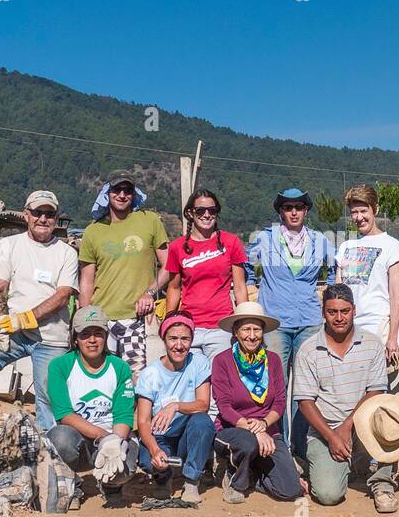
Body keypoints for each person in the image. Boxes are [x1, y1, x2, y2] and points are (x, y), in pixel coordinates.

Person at [0, 189, 79, 431]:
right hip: (13, 332)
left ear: (57, 217)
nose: (43, 218)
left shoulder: (67, 253)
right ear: (26, 215)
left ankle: (50, 450)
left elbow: (62, 296)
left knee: (49, 398)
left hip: (51, 337)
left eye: (49, 214)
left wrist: (27, 318)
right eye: (37, 212)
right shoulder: (9, 245)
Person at [294, 285, 399, 513]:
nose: (339, 318)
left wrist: (347, 427)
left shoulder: (372, 344)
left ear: (354, 310)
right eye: (332, 312)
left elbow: (376, 391)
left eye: (345, 311)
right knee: (328, 495)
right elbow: (305, 402)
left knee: (391, 421)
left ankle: (382, 483)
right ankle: (335, 467)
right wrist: (332, 435)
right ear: (323, 312)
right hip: (325, 431)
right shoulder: (308, 349)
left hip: (366, 425)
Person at [246, 188, 337, 450]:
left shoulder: (320, 240)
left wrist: (327, 295)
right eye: (288, 207)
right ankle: (280, 445)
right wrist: (253, 291)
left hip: (308, 321)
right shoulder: (266, 238)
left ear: (306, 211)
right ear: (280, 211)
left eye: (299, 207)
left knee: (307, 387)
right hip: (275, 322)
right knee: (277, 387)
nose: (294, 212)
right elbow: (245, 265)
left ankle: (301, 445)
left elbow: (336, 266)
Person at [77, 170, 169, 378]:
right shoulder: (93, 231)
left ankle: (134, 412)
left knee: (136, 380)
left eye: (127, 190)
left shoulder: (150, 220)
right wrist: (87, 319)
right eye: (116, 190)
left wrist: (150, 292)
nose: (122, 195)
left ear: (134, 194)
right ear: (107, 193)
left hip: (137, 320)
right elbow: (86, 281)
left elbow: (169, 265)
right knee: (101, 378)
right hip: (102, 320)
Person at [211, 301, 305, 504]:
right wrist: (256, 430)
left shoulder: (273, 360)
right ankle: (236, 481)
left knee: (290, 490)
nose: (252, 336)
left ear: (263, 332)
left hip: (269, 431)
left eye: (257, 329)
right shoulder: (222, 361)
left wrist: (263, 425)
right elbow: (224, 407)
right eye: (246, 329)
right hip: (233, 429)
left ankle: (253, 473)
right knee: (247, 443)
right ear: (236, 331)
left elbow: (279, 402)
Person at [45, 305, 138, 508]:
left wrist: (116, 442)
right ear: (75, 338)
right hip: (78, 438)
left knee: (126, 462)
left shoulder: (120, 367)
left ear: (106, 337)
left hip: (112, 436)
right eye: (85, 334)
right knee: (59, 438)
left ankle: (112, 486)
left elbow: (123, 415)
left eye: (98, 333)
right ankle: (71, 482)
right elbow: (65, 415)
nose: (92, 340)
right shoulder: (59, 366)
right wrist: (106, 438)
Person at [134, 311, 215, 503]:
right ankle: (164, 479)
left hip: (186, 433)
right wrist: (154, 450)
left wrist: (175, 406)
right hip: (161, 436)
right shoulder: (150, 374)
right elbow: (143, 420)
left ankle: (191, 480)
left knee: (202, 421)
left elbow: (203, 404)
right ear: (164, 340)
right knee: (148, 460)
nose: (179, 345)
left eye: (185, 339)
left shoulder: (199, 362)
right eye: (173, 338)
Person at [336, 185, 399, 392]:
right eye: (354, 212)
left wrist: (392, 337)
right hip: (348, 330)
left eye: (363, 211)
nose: (359, 217)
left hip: (377, 329)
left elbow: (396, 294)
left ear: (374, 209)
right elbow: (338, 291)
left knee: (375, 392)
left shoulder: (391, 246)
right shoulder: (345, 247)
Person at [165, 189, 248, 362]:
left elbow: (240, 287)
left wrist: (244, 321)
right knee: (190, 384)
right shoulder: (176, 247)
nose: (207, 214)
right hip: (189, 327)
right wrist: (170, 324)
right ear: (190, 213)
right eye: (201, 210)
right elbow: (174, 287)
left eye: (212, 210)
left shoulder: (231, 242)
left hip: (222, 328)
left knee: (220, 383)